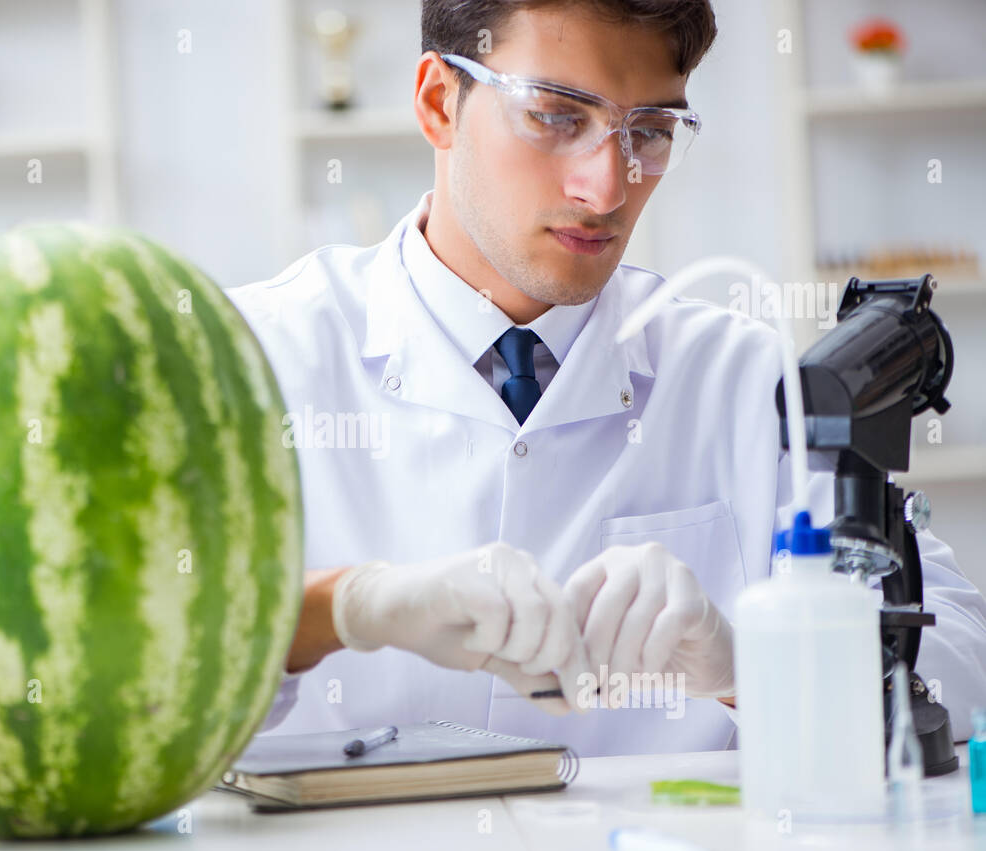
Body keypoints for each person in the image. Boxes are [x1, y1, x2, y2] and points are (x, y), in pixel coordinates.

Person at [225, 0, 986, 756]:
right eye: (556, 115)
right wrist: (333, 611)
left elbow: (958, 658)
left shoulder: (750, 377)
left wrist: (754, 664)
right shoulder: (247, 358)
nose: (608, 188)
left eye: (650, 132)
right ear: (438, 104)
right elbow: (121, 668)